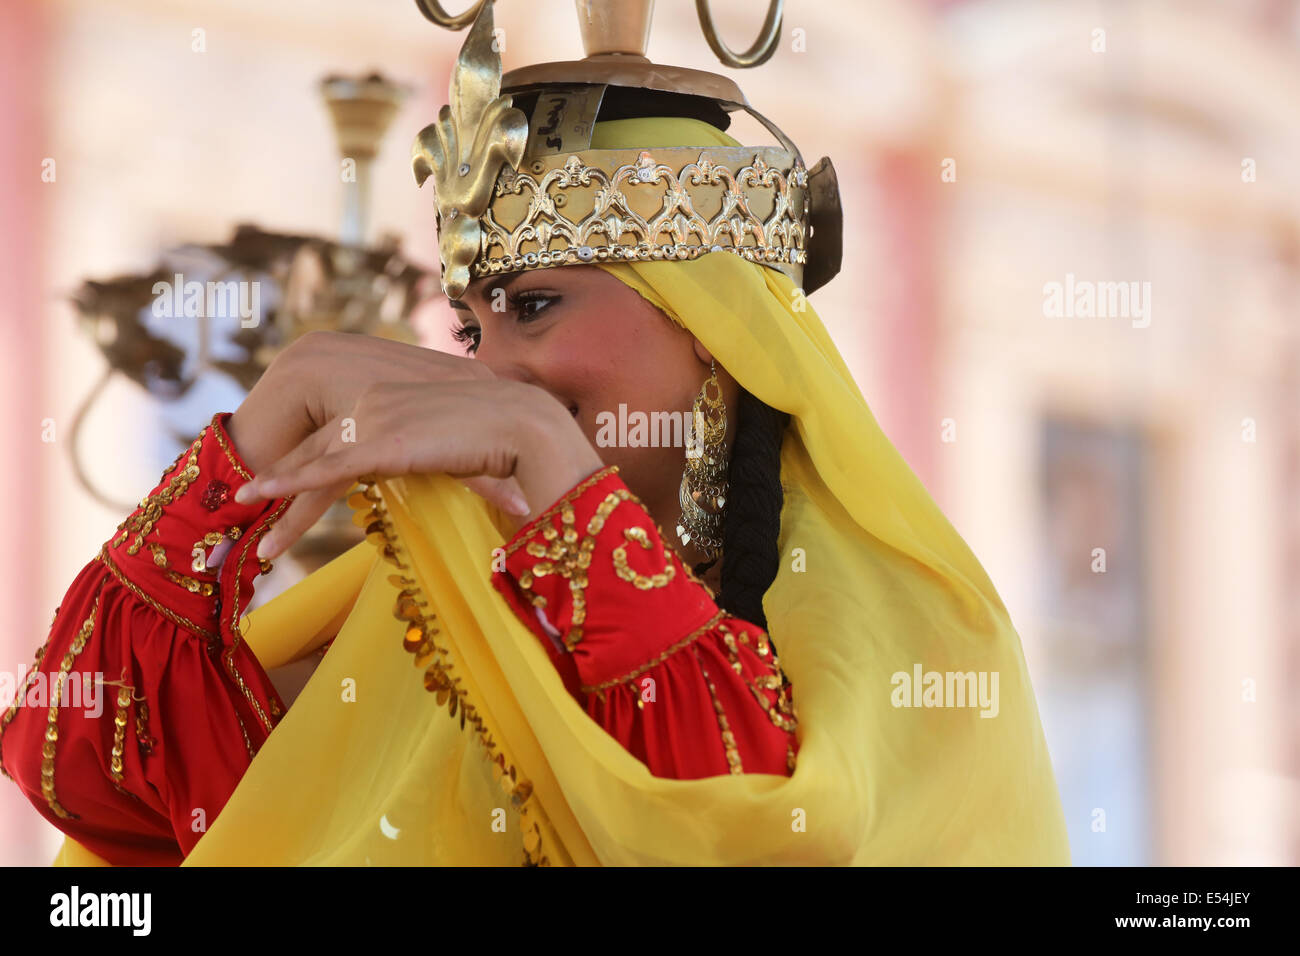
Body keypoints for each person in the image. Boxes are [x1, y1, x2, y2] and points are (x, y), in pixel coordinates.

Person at [0, 3, 1070, 866]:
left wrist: (559, 476)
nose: (493, 369)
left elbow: (743, 835)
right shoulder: (429, 605)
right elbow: (104, 786)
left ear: (711, 321)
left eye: (536, 306)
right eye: (471, 326)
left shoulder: (927, 635)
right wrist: (256, 430)